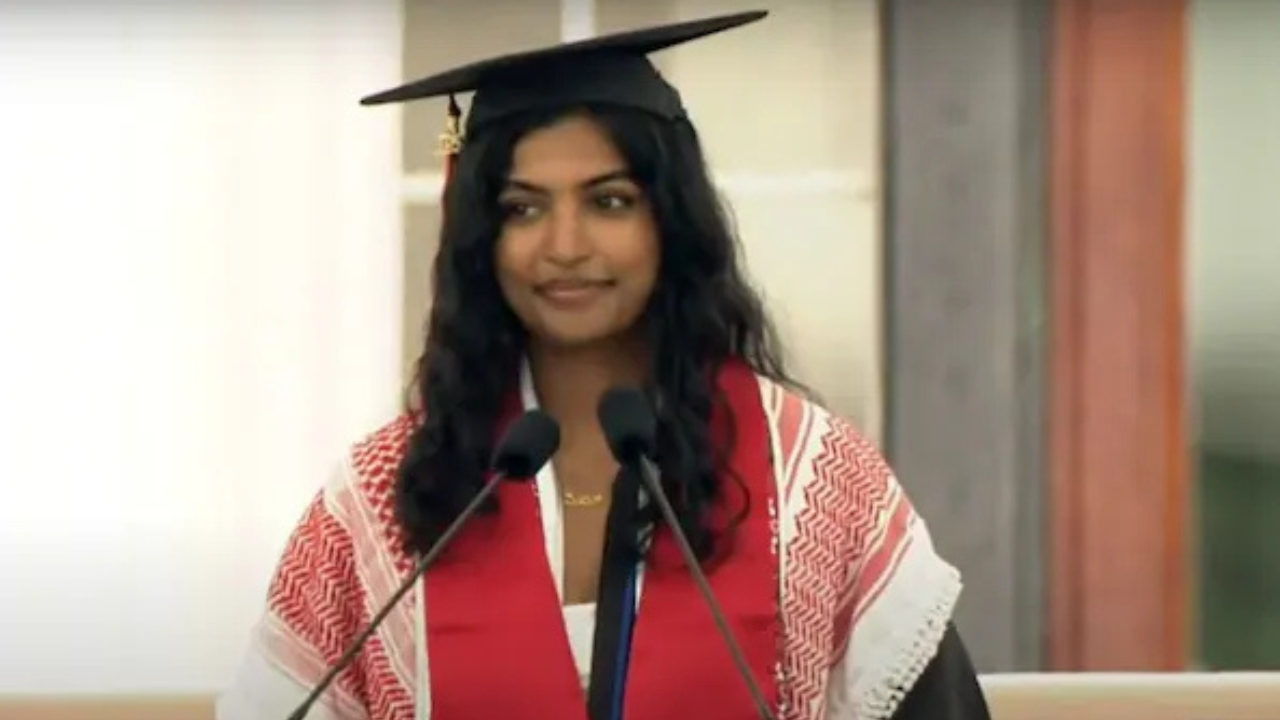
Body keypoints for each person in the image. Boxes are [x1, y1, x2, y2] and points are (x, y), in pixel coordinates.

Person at [217, 10, 991, 720]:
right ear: (482, 235)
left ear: (670, 220)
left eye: (608, 201)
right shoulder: (382, 497)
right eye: (523, 208)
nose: (564, 246)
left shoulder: (815, 477)